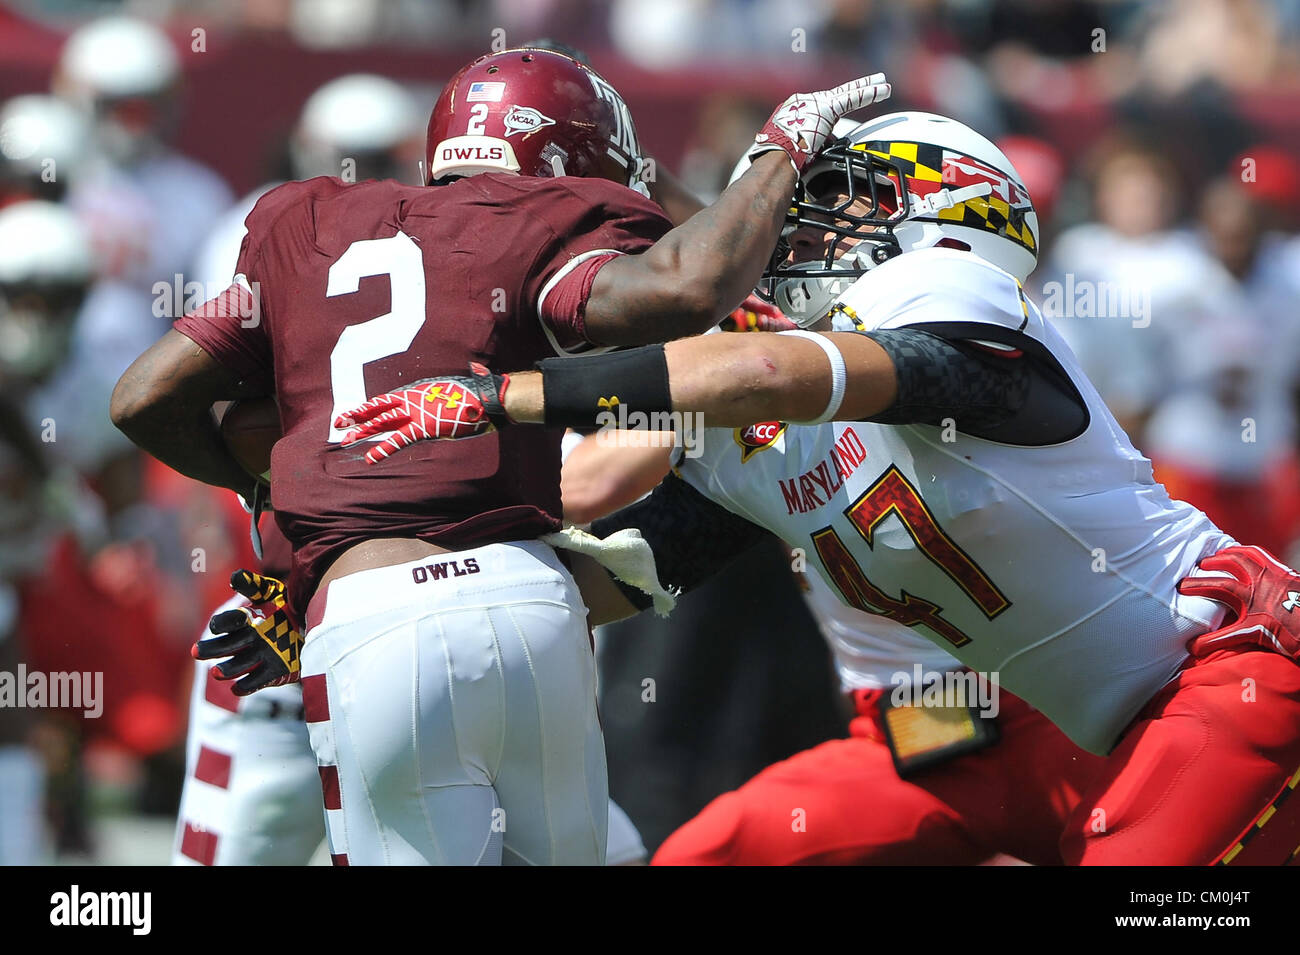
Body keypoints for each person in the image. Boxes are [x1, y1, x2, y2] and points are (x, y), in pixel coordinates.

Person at [342, 111, 1300, 865]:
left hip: (1223, 671)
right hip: (951, 734)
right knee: (712, 853)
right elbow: (606, 577)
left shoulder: (954, 297)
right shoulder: (759, 439)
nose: (798, 231)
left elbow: (769, 370)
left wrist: (509, 394)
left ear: (944, 212)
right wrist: (367, 598)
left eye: (838, 199)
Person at [111, 47, 890, 864]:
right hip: (531, 601)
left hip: (367, 615)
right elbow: (700, 290)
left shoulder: (308, 231)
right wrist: (779, 148)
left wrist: (287, 494)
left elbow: (142, 399)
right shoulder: (537, 229)